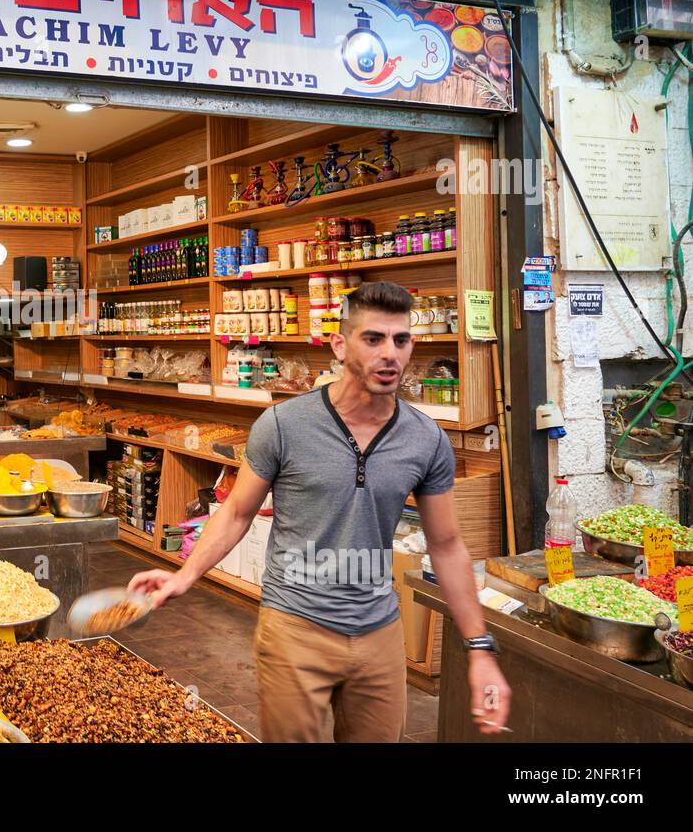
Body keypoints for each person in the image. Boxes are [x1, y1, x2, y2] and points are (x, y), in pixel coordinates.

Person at [129, 281, 510, 741]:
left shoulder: (425, 439)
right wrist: (184, 575)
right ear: (339, 344)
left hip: (379, 631)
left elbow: (447, 545)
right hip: (295, 629)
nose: (390, 353)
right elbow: (235, 513)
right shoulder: (283, 425)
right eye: (373, 339)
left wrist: (480, 649)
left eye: (401, 339)